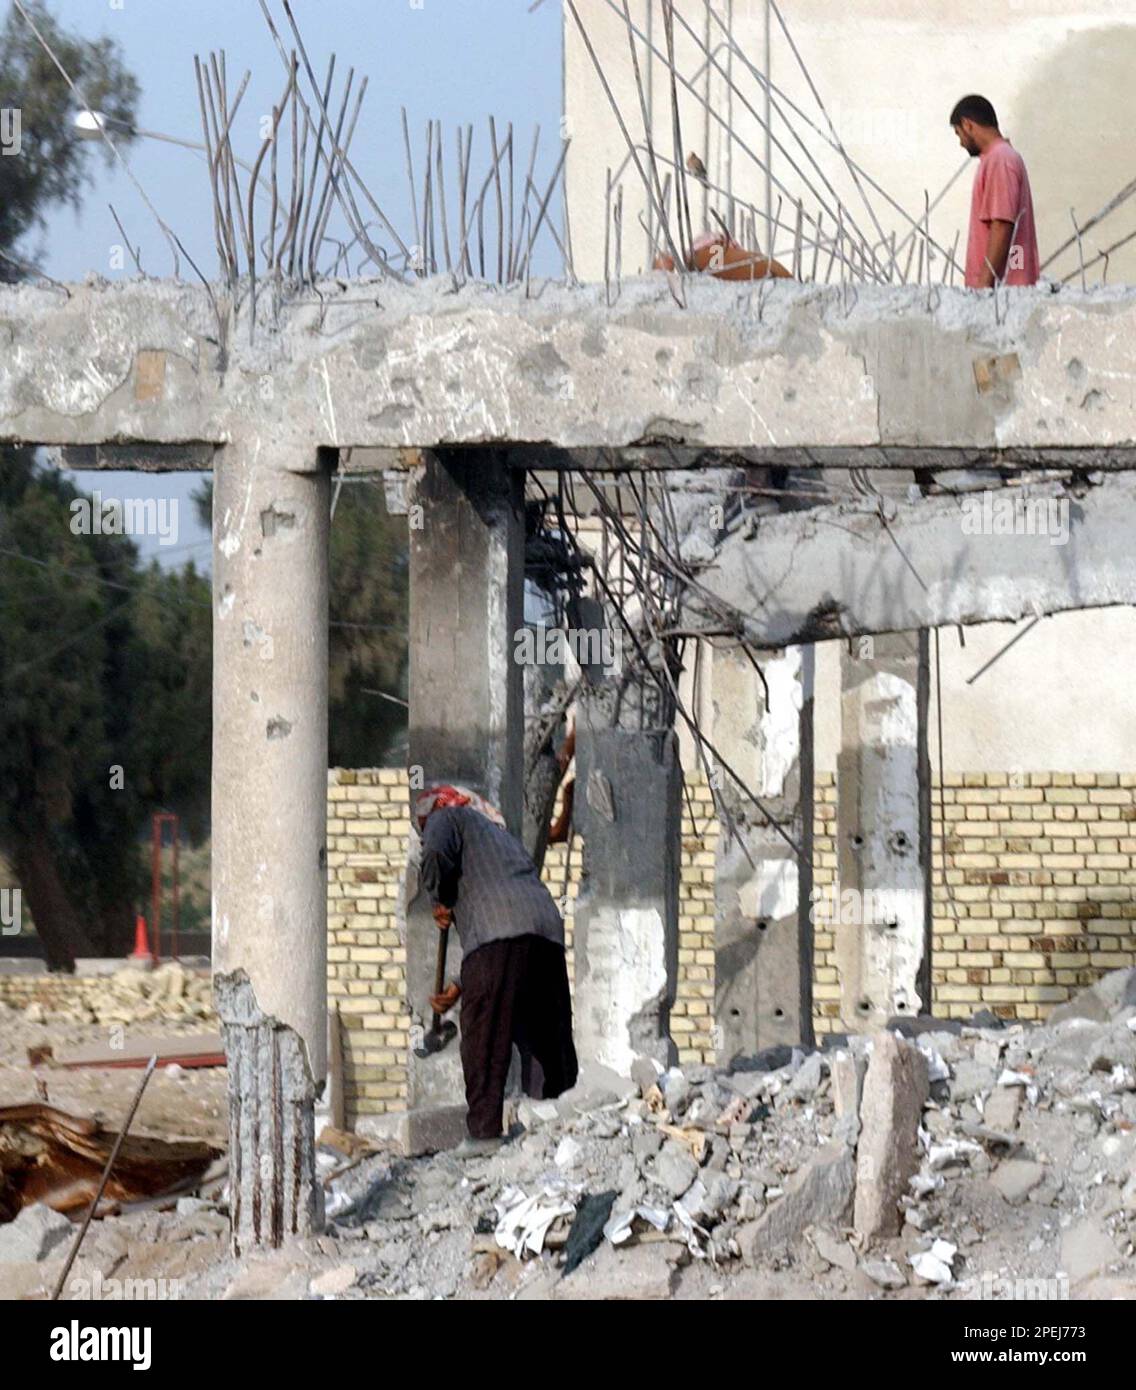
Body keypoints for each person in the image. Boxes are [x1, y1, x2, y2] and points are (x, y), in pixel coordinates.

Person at [415, 782, 578, 1158]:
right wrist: (459, 984)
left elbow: (436, 854)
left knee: (484, 1036)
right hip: (545, 933)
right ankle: (558, 1122)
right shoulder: (503, 839)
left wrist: (438, 897)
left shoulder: (446, 817)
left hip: (499, 936)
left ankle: (484, 1133)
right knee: (545, 1038)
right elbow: (505, 952)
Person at [950, 94, 1039, 289]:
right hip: (1004, 291)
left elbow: (1002, 224)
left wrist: (983, 286)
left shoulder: (1000, 159)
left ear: (967, 125)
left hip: (999, 296)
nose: (961, 143)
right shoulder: (998, 158)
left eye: (958, 133)